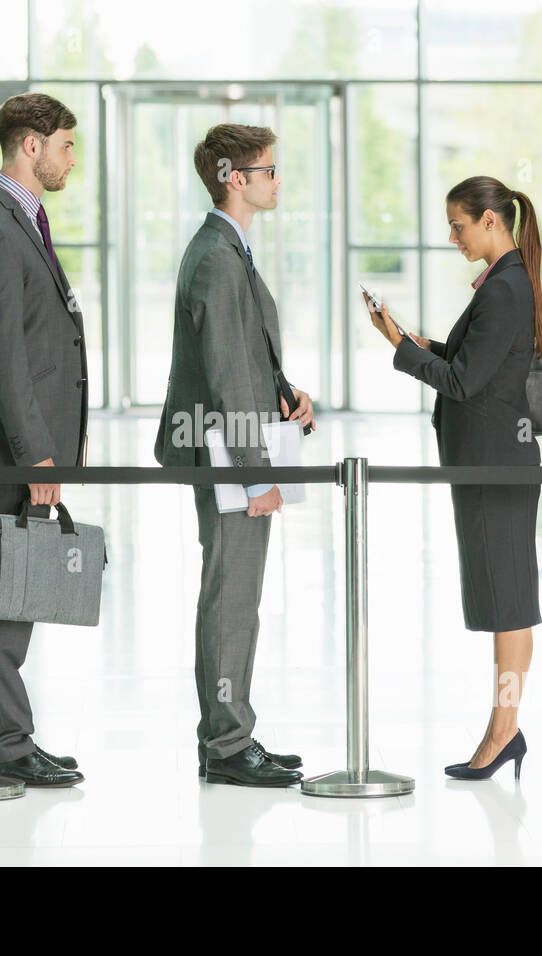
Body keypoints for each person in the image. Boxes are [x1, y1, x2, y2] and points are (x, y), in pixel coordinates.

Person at [364, 175, 542, 780]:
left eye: (459, 225)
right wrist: (418, 343)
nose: (452, 236)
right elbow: (476, 367)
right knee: (502, 598)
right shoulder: (505, 282)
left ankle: (504, 730)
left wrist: (402, 350)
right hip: (488, 461)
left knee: (509, 601)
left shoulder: (506, 287)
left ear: (491, 220)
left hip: (497, 464)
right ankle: (504, 727)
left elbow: (465, 384)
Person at [154, 124, 313, 787]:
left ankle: (233, 732)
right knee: (230, 598)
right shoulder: (218, 258)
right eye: (270, 171)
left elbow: (245, 359)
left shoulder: (230, 250)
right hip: (228, 456)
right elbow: (223, 375)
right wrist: (254, 477)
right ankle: (225, 745)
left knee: (239, 598)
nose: (279, 180)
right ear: (235, 179)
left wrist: (286, 392)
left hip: (238, 443)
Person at [0, 92, 87, 787]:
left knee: (18, 597)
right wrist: (36, 452)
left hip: (26, 451)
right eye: (66, 144)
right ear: (29, 145)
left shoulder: (19, 222)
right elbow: (4, 356)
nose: (73, 159)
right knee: (2, 603)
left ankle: (10, 736)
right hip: (8, 455)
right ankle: (3, 747)